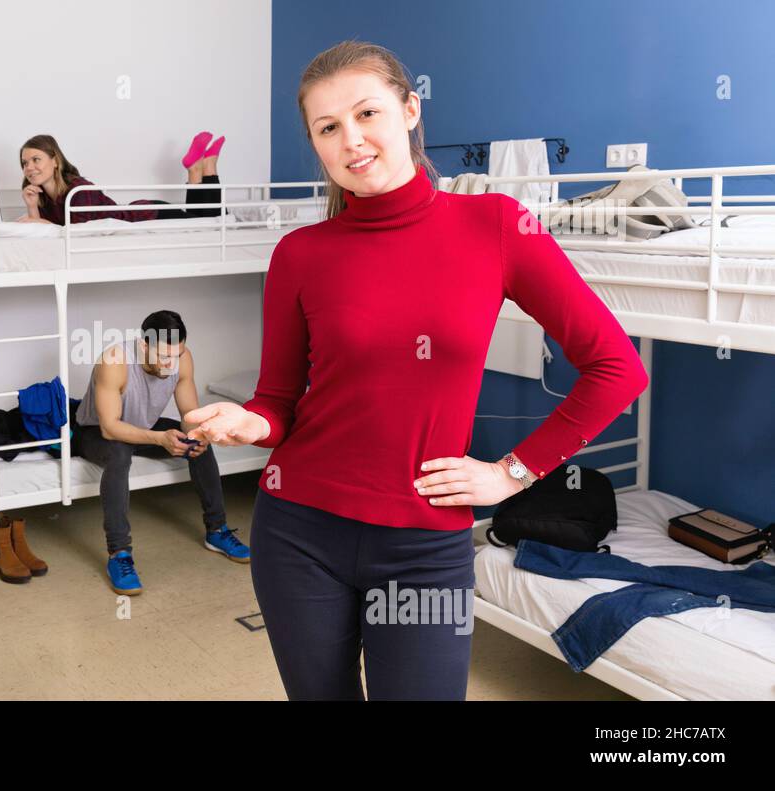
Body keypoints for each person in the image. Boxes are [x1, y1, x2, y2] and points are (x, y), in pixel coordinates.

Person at [183, 41, 649, 700]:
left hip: (425, 547)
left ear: (409, 109)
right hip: (298, 533)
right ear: (316, 143)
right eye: (328, 127)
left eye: (367, 113)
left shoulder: (496, 225)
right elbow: (278, 402)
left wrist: (511, 472)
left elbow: (616, 367)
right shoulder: (299, 253)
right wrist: (248, 421)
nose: (352, 139)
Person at [73, 310, 249, 596]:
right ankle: (119, 554)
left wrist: (196, 435)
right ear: (144, 346)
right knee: (119, 455)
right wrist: (159, 439)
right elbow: (109, 428)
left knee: (197, 445)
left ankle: (217, 531)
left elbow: (189, 414)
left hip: (144, 427)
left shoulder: (182, 359)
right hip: (95, 431)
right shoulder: (114, 362)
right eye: (164, 356)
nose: (171, 364)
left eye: (176, 355)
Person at [16, 133, 226, 225]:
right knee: (207, 221)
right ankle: (200, 170)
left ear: (55, 161)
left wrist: (41, 221)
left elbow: (77, 234)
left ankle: (205, 168)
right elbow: (43, 234)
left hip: (150, 215)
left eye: (36, 159)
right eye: (25, 163)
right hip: (142, 212)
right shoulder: (42, 197)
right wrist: (33, 207)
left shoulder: (77, 190)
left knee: (213, 224)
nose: (29, 168)